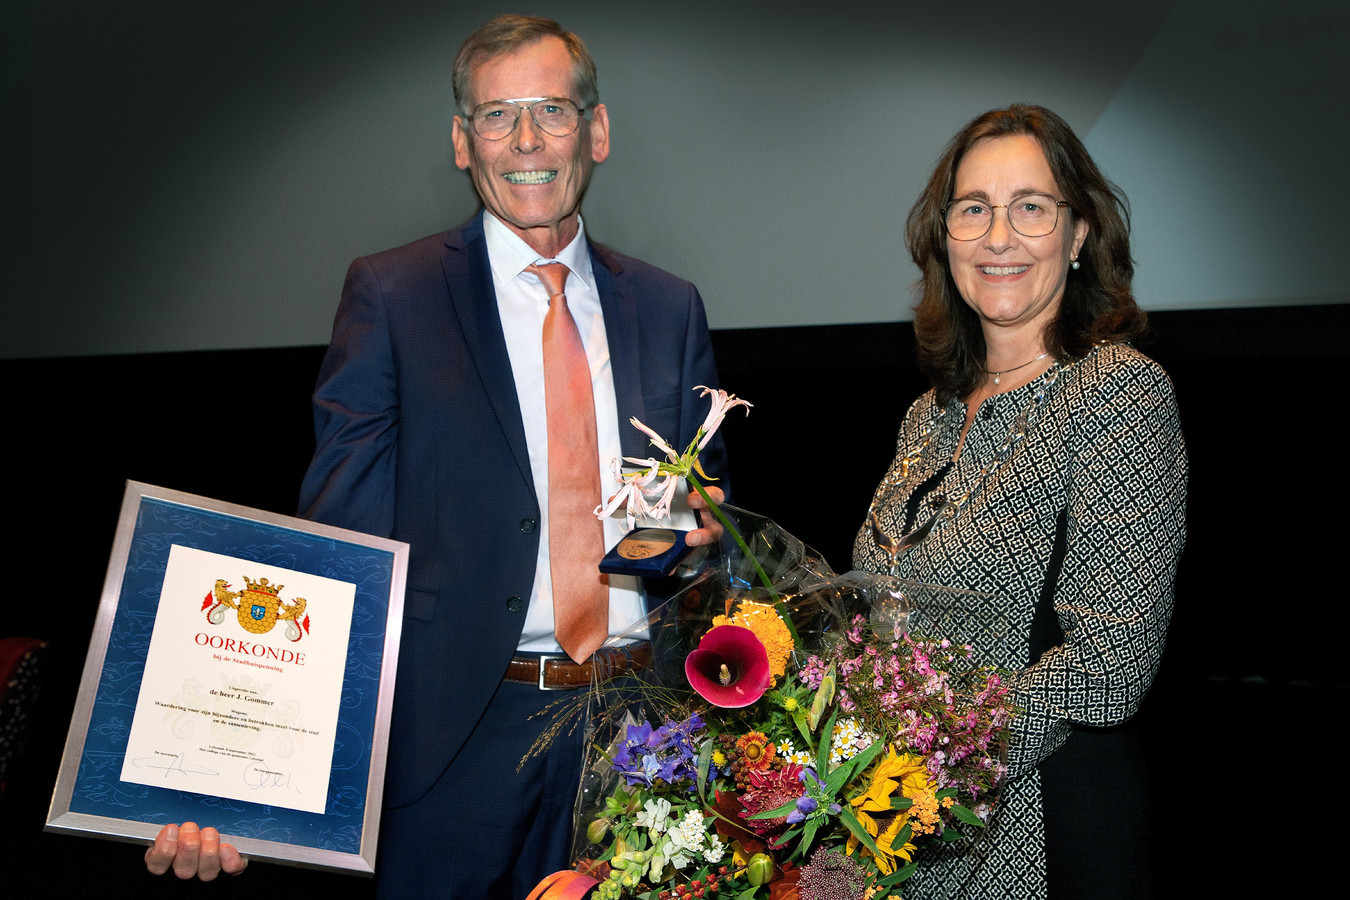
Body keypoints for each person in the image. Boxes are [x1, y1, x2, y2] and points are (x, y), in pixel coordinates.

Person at [145, 14, 726, 897]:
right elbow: (335, 549)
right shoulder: (393, 295)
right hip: (457, 744)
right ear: (462, 143)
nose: (526, 140)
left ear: (597, 131)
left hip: (644, 735)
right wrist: (240, 766)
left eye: (553, 111)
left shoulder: (669, 306)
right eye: (497, 116)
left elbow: (694, 525)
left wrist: (710, 544)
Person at [852, 104, 1187, 899]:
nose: (999, 237)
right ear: (946, 240)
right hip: (901, 836)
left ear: (1077, 236)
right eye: (974, 210)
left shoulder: (1118, 392)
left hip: (1037, 834)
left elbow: (1109, 667)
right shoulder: (930, 411)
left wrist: (933, 752)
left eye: (1030, 207)